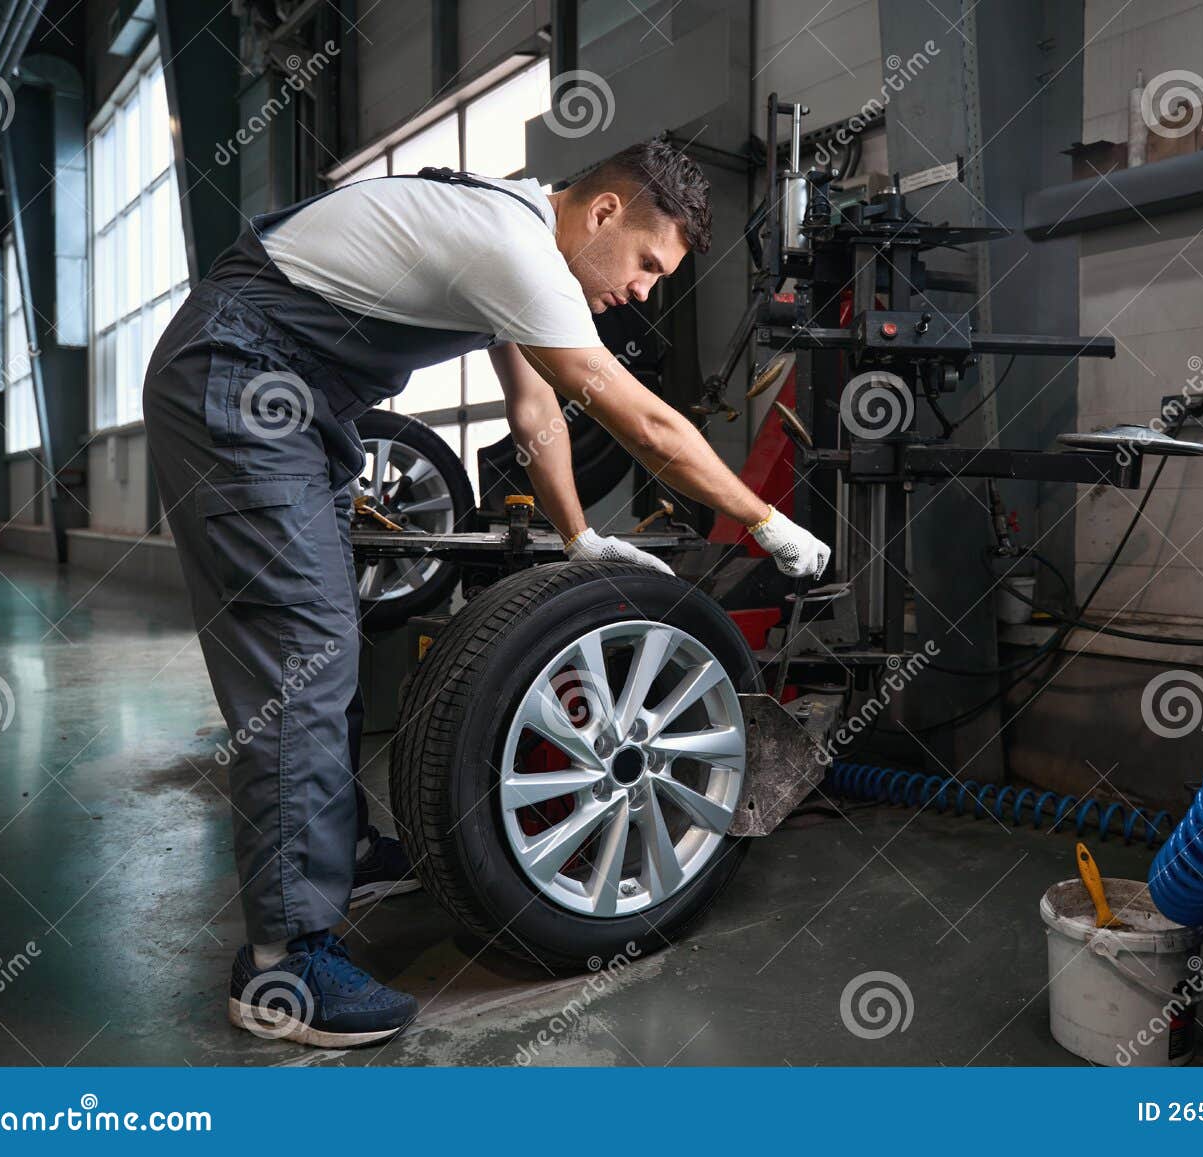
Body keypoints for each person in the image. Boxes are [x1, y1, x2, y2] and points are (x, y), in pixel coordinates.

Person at [141, 137, 830, 1048]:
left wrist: (579, 537)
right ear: (604, 212)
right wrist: (765, 519)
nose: (642, 291)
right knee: (299, 660)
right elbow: (644, 421)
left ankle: (339, 854)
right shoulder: (514, 246)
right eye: (647, 264)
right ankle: (284, 965)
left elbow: (537, 411)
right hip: (240, 378)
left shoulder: (515, 237)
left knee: (326, 643)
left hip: (295, 399)